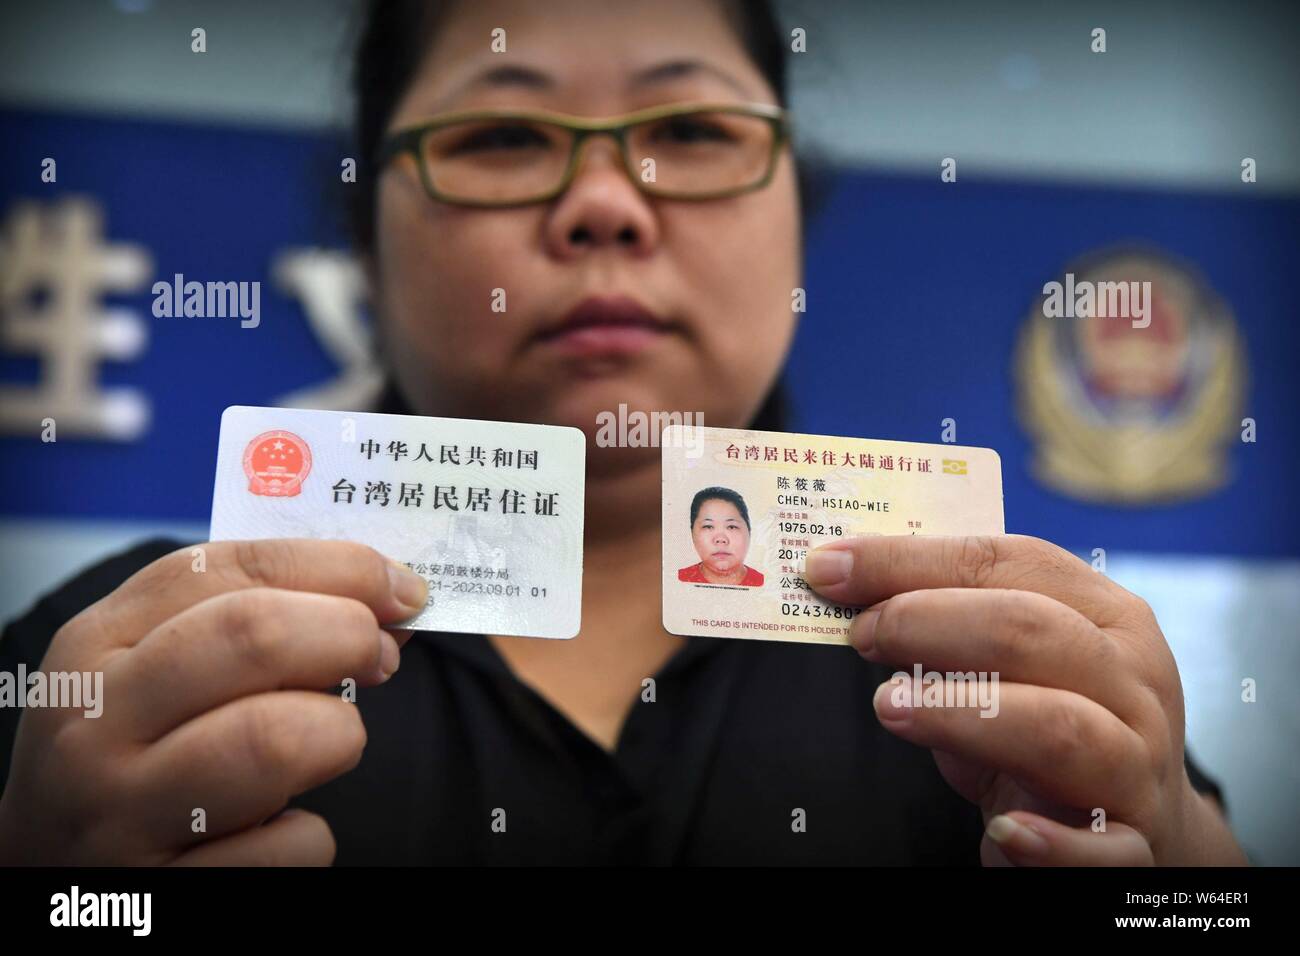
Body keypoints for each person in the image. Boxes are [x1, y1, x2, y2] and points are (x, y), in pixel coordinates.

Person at [0, 0, 1246, 865]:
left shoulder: (1018, 685)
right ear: (363, 243)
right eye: (500, 137)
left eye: (692, 133)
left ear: (795, 220)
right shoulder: (112, 678)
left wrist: (1188, 885)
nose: (604, 203)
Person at [679, 487, 764, 586]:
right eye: (708, 526)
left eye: (732, 527)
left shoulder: (768, 586)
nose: (720, 539)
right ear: (692, 533)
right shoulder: (677, 580)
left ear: (749, 532)